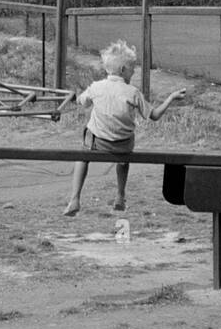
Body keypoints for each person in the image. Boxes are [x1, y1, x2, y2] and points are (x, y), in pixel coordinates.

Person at [63, 40, 185, 217]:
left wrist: (75, 96)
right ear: (122, 70)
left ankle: (75, 198)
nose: (134, 71)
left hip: (97, 143)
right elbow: (155, 115)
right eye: (132, 68)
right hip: (123, 146)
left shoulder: (97, 87)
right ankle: (120, 195)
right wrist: (171, 97)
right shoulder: (133, 92)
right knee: (124, 158)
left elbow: (81, 101)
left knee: (81, 156)